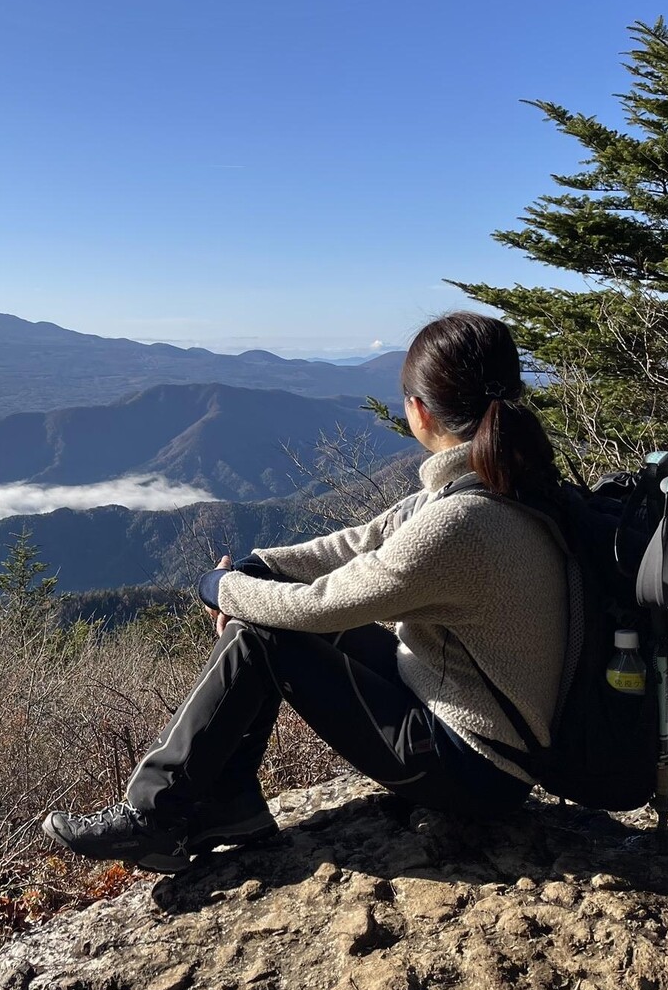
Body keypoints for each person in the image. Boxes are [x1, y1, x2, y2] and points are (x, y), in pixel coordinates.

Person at [42, 311, 567, 874]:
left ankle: (155, 816)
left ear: (419, 410)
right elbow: (361, 541)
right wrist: (261, 566)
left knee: (263, 635)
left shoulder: (463, 522)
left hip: (474, 766)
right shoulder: (496, 485)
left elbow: (318, 608)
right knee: (262, 619)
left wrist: (220, 587)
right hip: (474, 725)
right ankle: (229, 804)